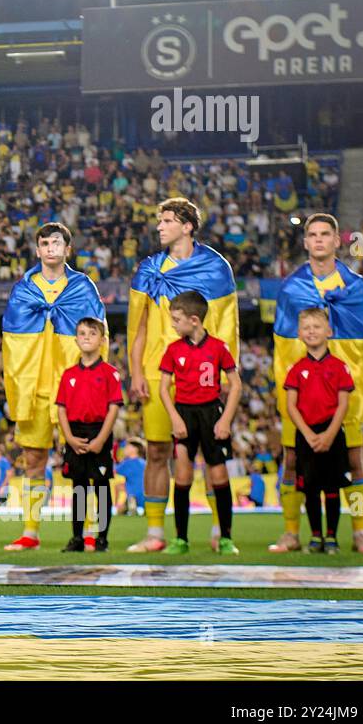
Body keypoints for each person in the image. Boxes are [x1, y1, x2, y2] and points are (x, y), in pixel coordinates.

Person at [126, 198, 238, 553]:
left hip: (202, 379)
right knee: (157, 450)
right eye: (159, 221)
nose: (160, 227)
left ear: (188, 226)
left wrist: (221, 375)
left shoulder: (216, 268)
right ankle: (156, 534)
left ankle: (221, 532)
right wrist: (136, 372)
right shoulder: (148, 269)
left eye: (168, 220)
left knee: (209, 456)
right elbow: (138, 327)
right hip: (158, 375)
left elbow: (226, 327)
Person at [270, 214, 363, 554]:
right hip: (302, 402)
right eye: (312, 235)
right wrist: (289, 399)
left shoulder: (356, 288)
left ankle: (360, 532)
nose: (318, 240)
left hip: (344, 400)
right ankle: (291, 533)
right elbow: (282, 349)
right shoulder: (291, 288)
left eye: (325, 234)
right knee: (291, 462)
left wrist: (362, 400)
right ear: (305, 242)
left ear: (337, 241)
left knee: (354, 462)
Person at [1, 222, 107, 551]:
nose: (50, 248)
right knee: (33, 460)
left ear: (67, 249)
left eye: (56, 242)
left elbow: (99, 335)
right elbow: (11, 342)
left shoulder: (83, 287)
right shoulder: (23, 289)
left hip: (75, 390)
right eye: (44, 243)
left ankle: (93, 531)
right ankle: (30, 532)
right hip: (35, 389)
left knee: (86, 463)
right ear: (37, 250)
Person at [157, 290, 243, 555]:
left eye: (176, 319)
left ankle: (226, 538)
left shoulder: (218, 347)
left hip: (211, 413)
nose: (173, 325)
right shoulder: (173, 350)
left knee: (218, 474)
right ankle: (181, 539)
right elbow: (163, 388)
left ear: (194, 320)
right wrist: (175, 418)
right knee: (182, 475)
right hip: (185, 413)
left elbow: (235, 385)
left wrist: (225, 420)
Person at [283, 308, 357, 553]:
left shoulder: (339, 367)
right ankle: (315, 537)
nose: (312, 331)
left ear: (329, 331)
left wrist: (329, 435)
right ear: (299, 333)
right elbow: (291, 406)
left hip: (332, 433)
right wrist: (308, 434)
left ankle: (332, 536)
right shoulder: (296, 369)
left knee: (332, 487)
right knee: (311, 488)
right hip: (306, 434)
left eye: (317, 326)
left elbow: (343, 403)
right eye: (306, 327)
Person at [55, 317, 123, 552]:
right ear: (75, 339)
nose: (86, 337)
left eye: (92, 334)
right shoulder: (68, 374)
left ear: (102, 340)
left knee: (102, 486)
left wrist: (101, 440)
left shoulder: (109, 373)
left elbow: (114, 407)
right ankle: (78, 538)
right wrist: (69, 439)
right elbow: (61, 408)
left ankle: (102, 538)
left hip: (99, 432)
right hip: (75, 434)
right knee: (78, 487)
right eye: (82, 333)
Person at [114, 440, 147, 516]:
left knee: (117, 486)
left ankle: (119, 506)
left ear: (135, 449)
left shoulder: (126, 463)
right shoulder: (144, 463)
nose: (124, 449)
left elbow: (113, 472)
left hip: (132, 495)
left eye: (127, 447)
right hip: (147, 497)